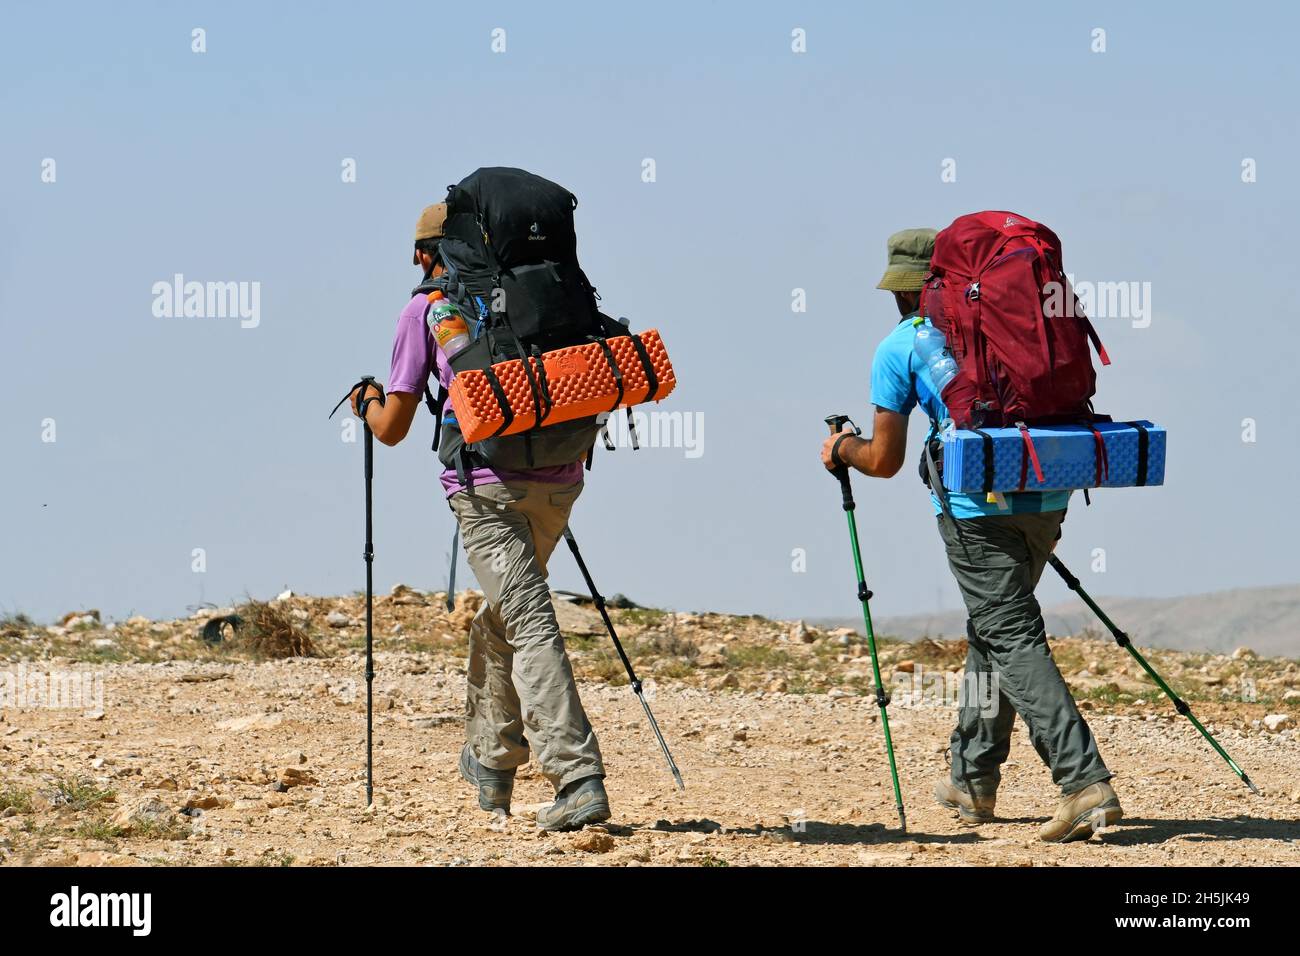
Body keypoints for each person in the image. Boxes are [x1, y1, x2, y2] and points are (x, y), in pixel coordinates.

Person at [818, 227, 1122, 843]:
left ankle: (1083, 780)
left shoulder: (900, 347)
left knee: (1009, 634)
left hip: (976, 511)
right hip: (1050, 490)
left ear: (902, 291)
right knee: (994, 629)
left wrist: (839, 449)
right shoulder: (1007, 331)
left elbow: (884, 459)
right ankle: (972, 777)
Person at [348, 202, 610, 832]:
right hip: (561, 478)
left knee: (525, 618)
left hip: (485, 488)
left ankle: (577, 777)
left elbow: (393, 428)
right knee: (499, 621)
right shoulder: (539, 295)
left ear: (425, 252)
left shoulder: (426, 310)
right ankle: (491, 765)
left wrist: (366, 404)